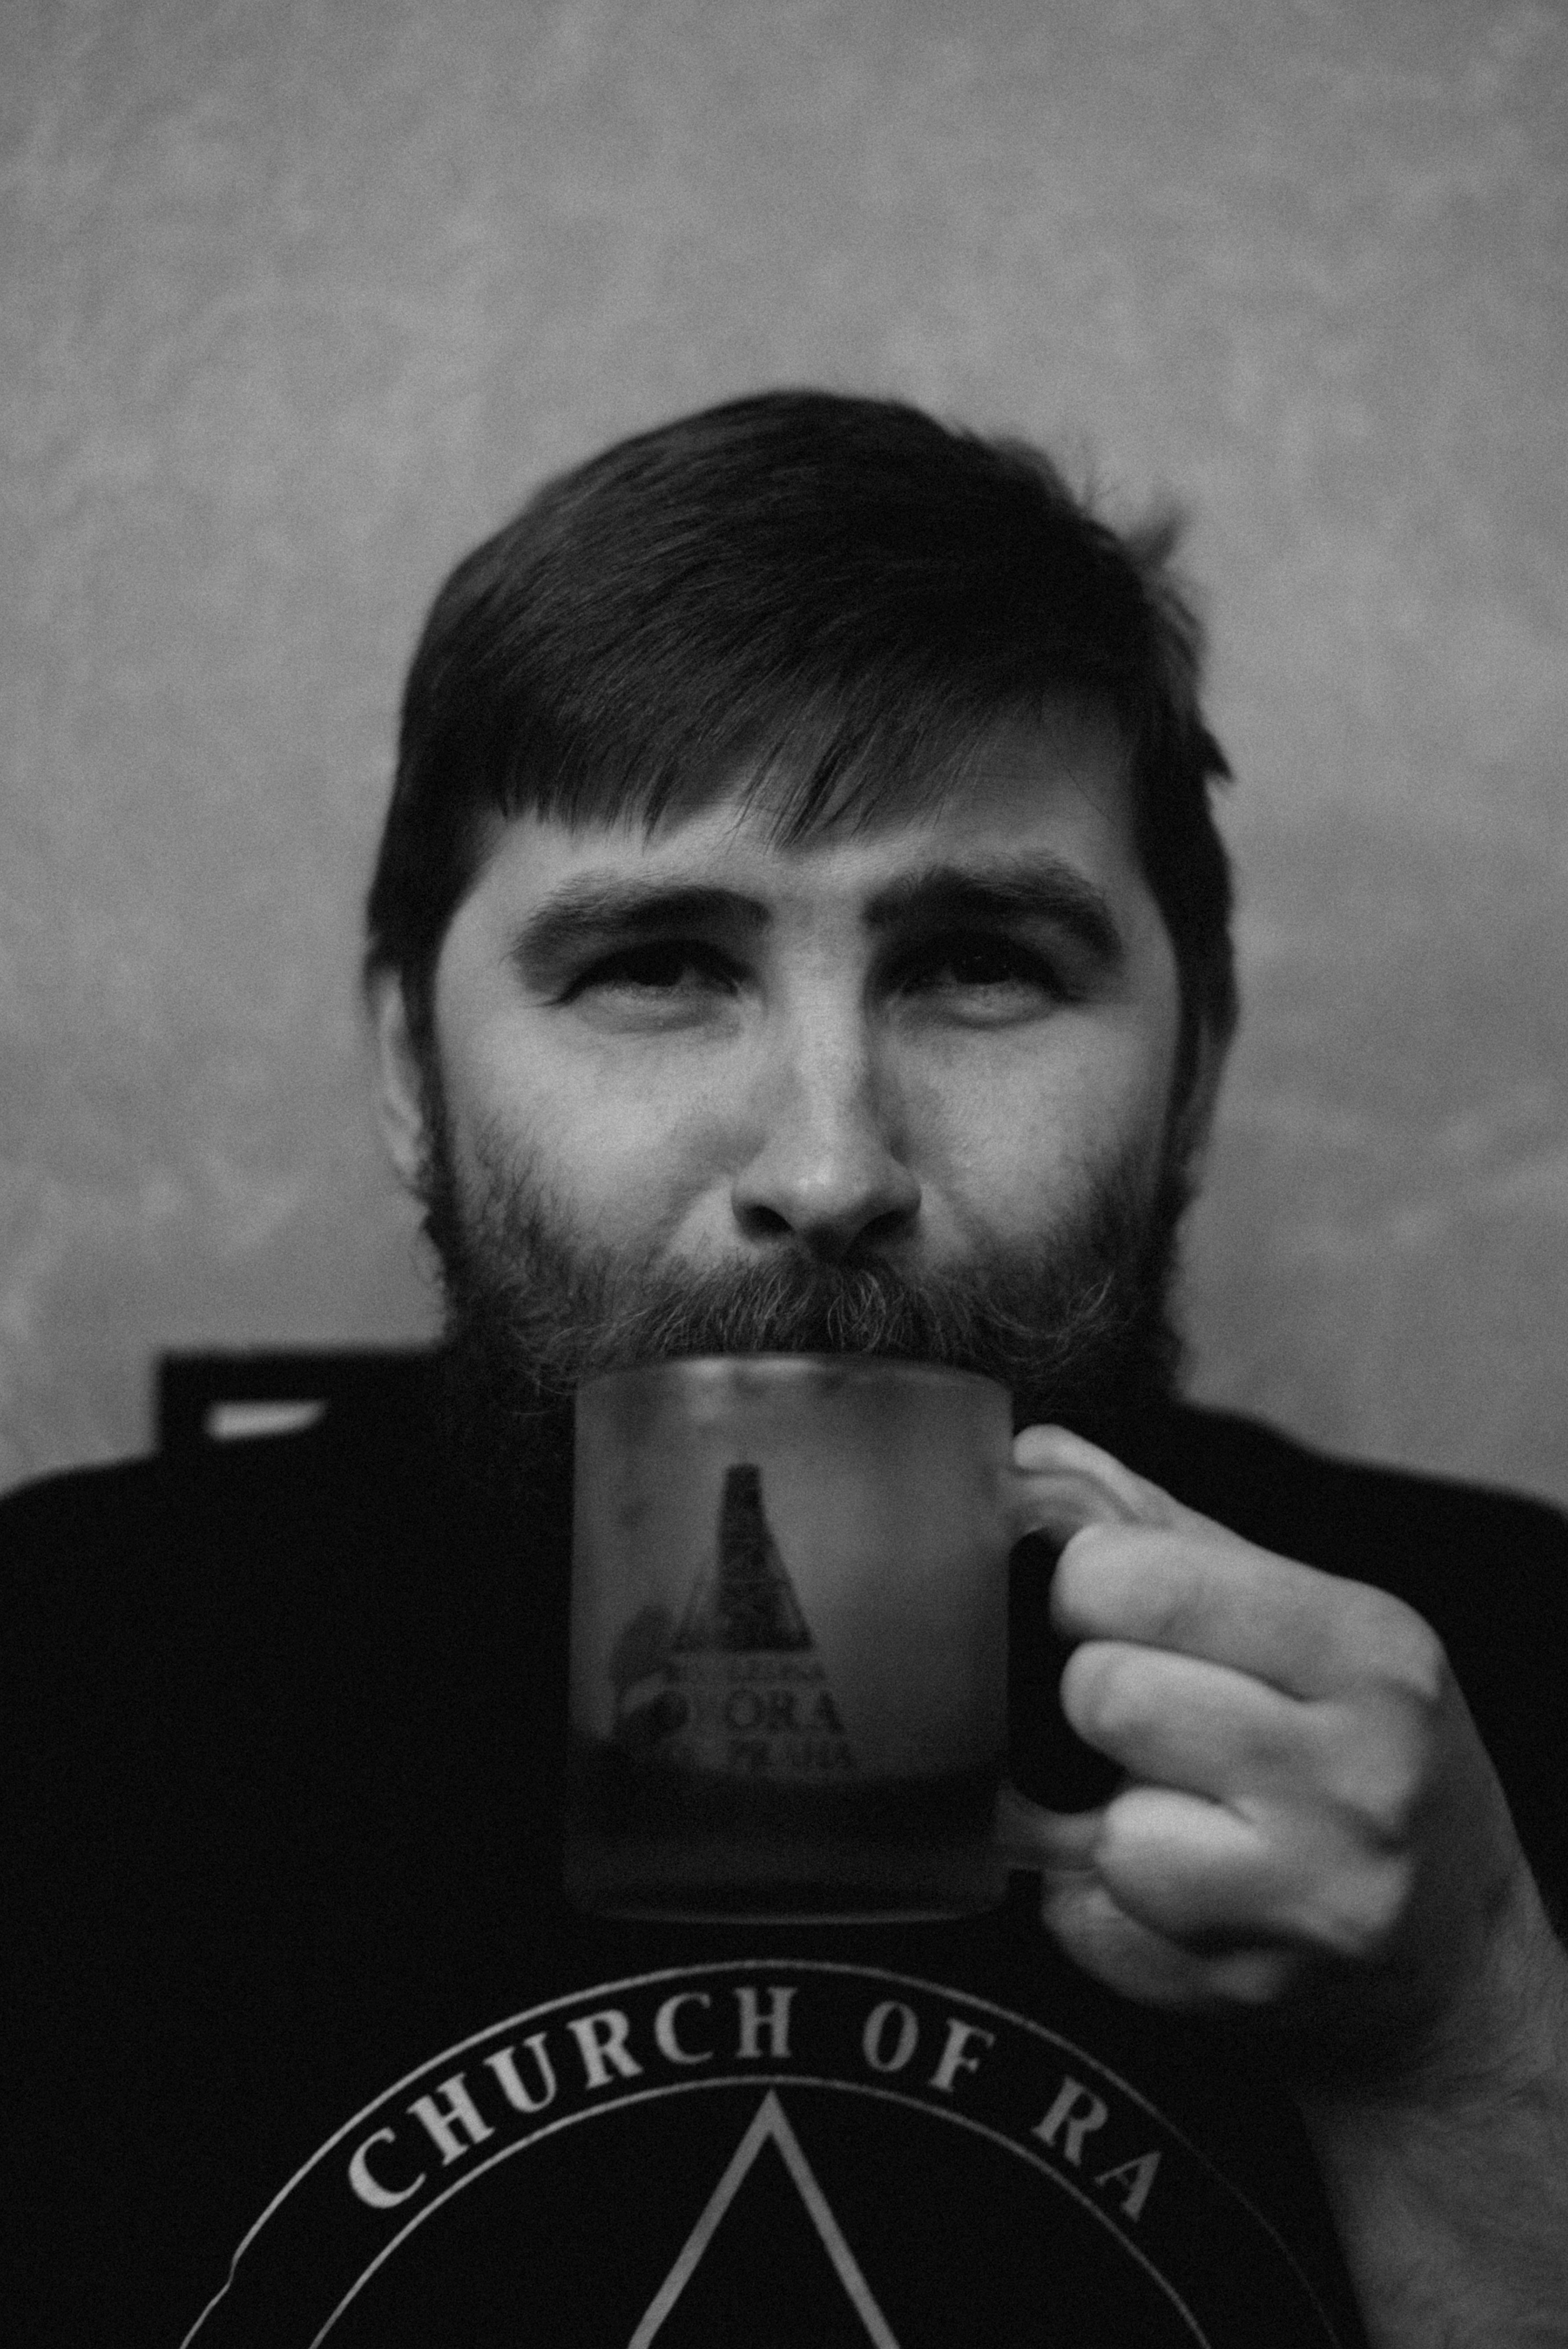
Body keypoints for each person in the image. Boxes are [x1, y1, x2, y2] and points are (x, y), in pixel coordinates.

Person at [6, 390, 1567, 2347]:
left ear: (1199, 1070)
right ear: (411, 1068)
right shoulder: (58, 1687)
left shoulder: (1500, 1686)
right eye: (658, 961)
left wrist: (1459, 2030)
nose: (830, 1164)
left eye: (980, 958)